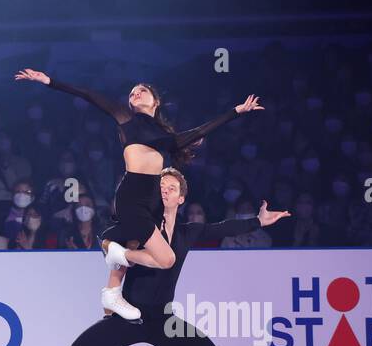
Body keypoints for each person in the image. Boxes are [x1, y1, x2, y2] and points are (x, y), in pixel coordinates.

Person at [38, 168, 290, 346]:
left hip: (163, 321)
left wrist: (258, 221)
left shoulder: (187, 232)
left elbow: (222, 228)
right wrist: (116, 251)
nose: (164, 190)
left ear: (181, 198)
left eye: (171, 187)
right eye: (160, 186)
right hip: (128, 317)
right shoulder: (140, 229)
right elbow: (106, 237)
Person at [15, 68, 259, 321]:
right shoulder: (126, 120)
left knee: (130, 243)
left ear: (156, 101)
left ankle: (112, 292)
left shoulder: (168, 137)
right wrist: (49, 81)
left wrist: (235, 112)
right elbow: (88, 94)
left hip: (153, 198)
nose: (135, 94)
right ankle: (116, 271)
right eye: (132, 93)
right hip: (133, 194)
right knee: (166, 259)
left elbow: (199, 132)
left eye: (142, 90)